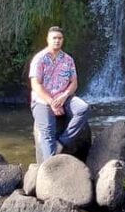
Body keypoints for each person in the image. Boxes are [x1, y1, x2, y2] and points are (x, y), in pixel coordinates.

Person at [29, 26, 90, 161]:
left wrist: (64, 95)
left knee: (83, 108)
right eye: (54, 38)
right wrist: (52, 103)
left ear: (63, 40)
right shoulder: (39, 59)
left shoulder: (68, 60)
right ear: (48, 39)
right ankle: (50, 165)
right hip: (42, 101)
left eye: (60, 38)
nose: (57, 41)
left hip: (64, 98)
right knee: (48, 131)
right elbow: (36, 85)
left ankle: (62, 142)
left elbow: (74, 83)